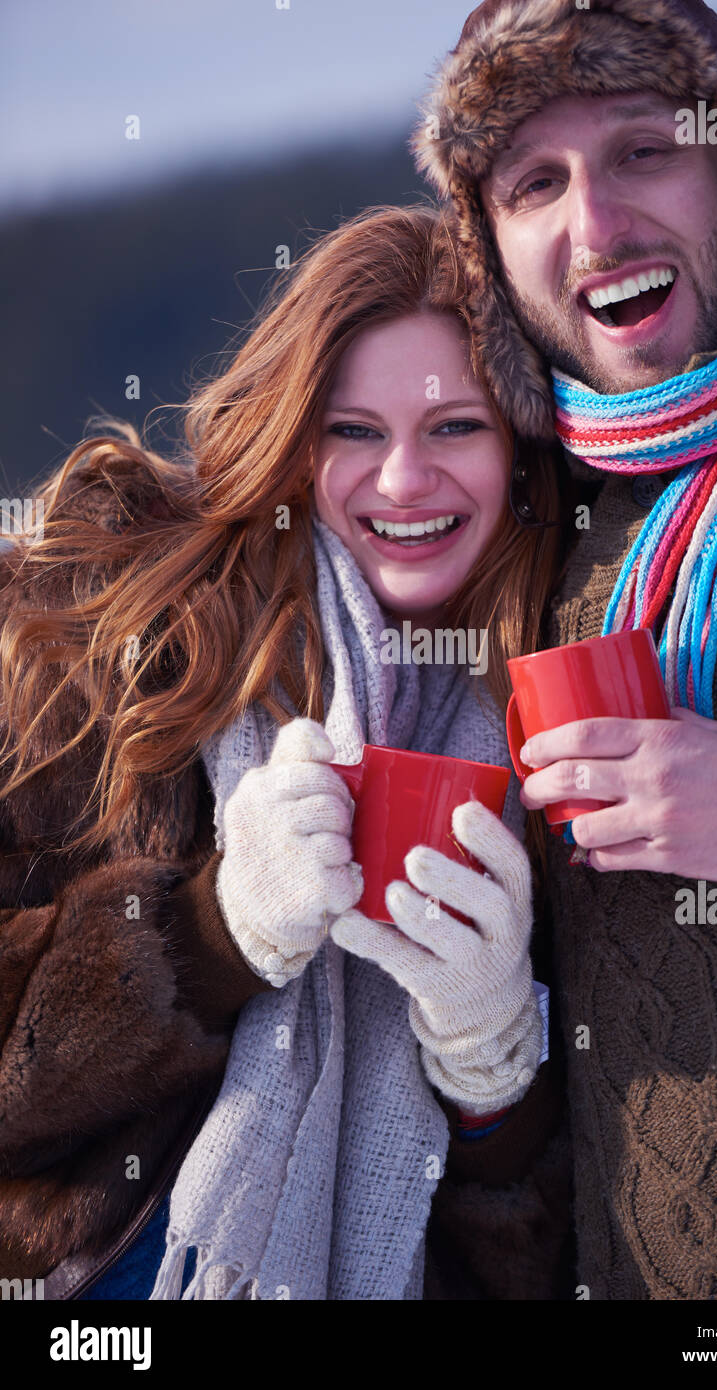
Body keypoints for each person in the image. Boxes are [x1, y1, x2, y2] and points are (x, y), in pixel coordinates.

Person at [0, 203, 575, 1300]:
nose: (404, 481)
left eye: (456, 427)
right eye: (354, 431)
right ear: (291, 433)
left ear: (522, 451)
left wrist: (494, 1063)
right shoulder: (99, 621)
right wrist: (212, 933)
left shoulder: (546, 719)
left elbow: (533, 1262)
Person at [413, 0, 717, 1298]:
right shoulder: (517, 535)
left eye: (638, 151)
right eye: (532, 185)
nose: (593, 226)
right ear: (489, 250)